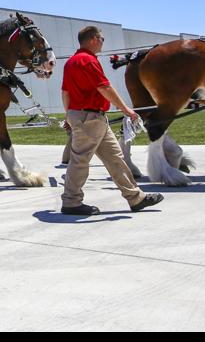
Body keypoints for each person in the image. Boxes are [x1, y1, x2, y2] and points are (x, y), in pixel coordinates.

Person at [59, 25, 163, 216]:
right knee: (80, 160)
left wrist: (69, 115)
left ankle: (135, 198)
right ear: (92, 39)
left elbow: (65, 92)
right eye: (102, 38)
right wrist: (127, 110)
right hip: (89, 118)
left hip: (90, 118)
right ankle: (71, 202)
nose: (102, 42)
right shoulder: (88, 60)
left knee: (115, 158)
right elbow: (104, 88)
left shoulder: (71, 62)